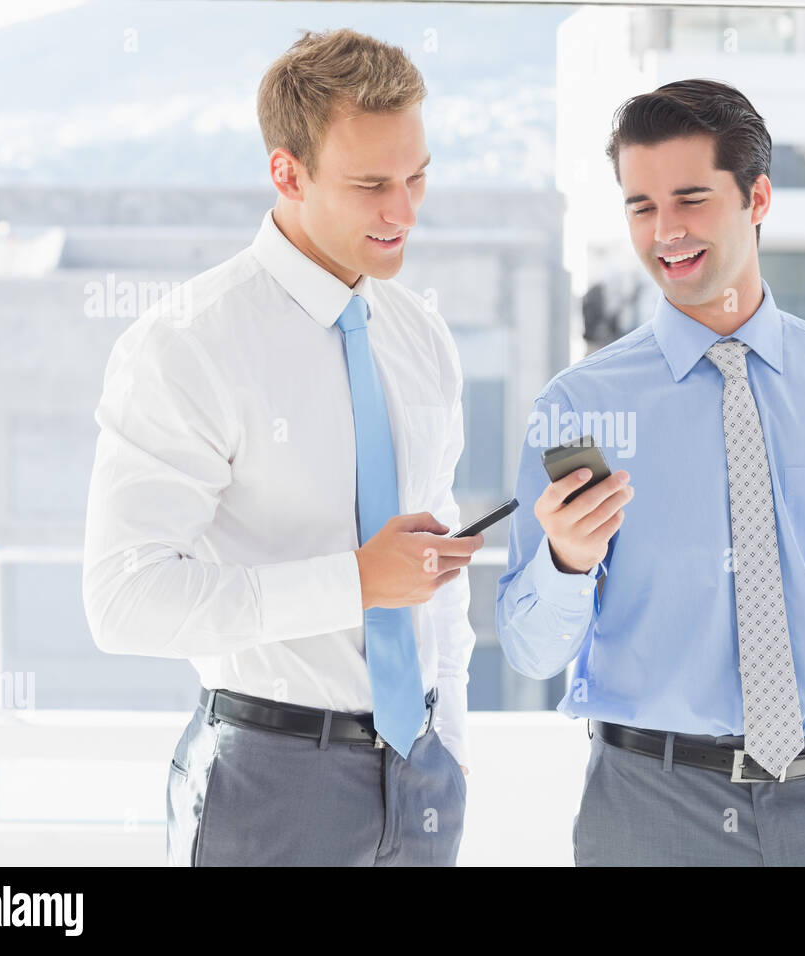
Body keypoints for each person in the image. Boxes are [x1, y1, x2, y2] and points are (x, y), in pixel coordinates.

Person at [495, 78, 805, 866]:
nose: (665, 231)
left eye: (690, 199)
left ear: (758, 197)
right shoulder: (579, 409)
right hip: (648, 812)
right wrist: (567, 562)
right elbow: (531, 650)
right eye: (641, 206)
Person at [81, 28, 483, 866]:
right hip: (271, 782)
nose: (403, 211)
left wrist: (449, 743)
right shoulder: (189, 346)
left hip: (423, 781)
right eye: (371, 184)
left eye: (416, 177)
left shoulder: (422, 337)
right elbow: (122, 600)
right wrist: (356, 583)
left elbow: (435, 578)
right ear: (287, 173)